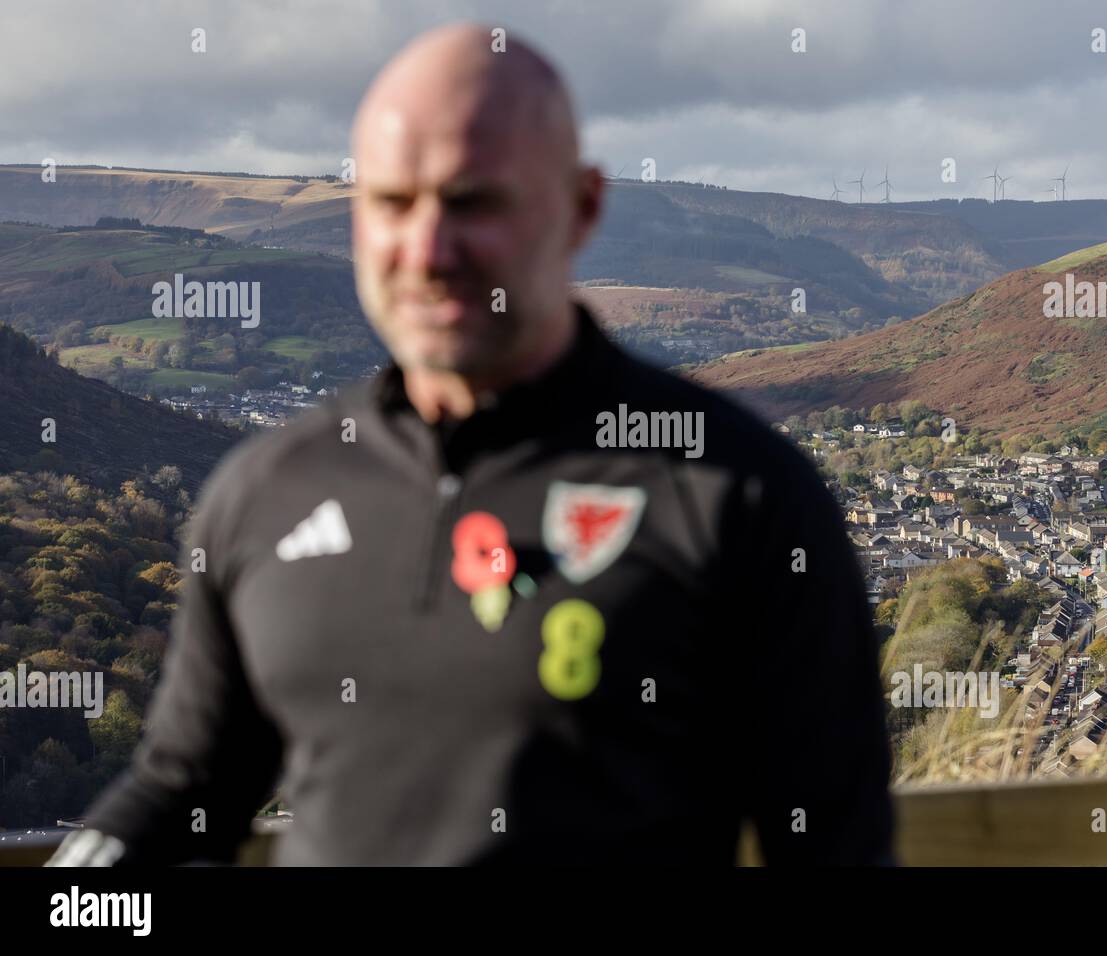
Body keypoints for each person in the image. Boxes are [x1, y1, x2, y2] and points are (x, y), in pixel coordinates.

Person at [48, 22, 892, 866]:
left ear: (583, 205)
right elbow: (182, 787)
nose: (426, 250)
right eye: (391, 203)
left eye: (473, 201)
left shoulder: (735, 493)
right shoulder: (267, 489)